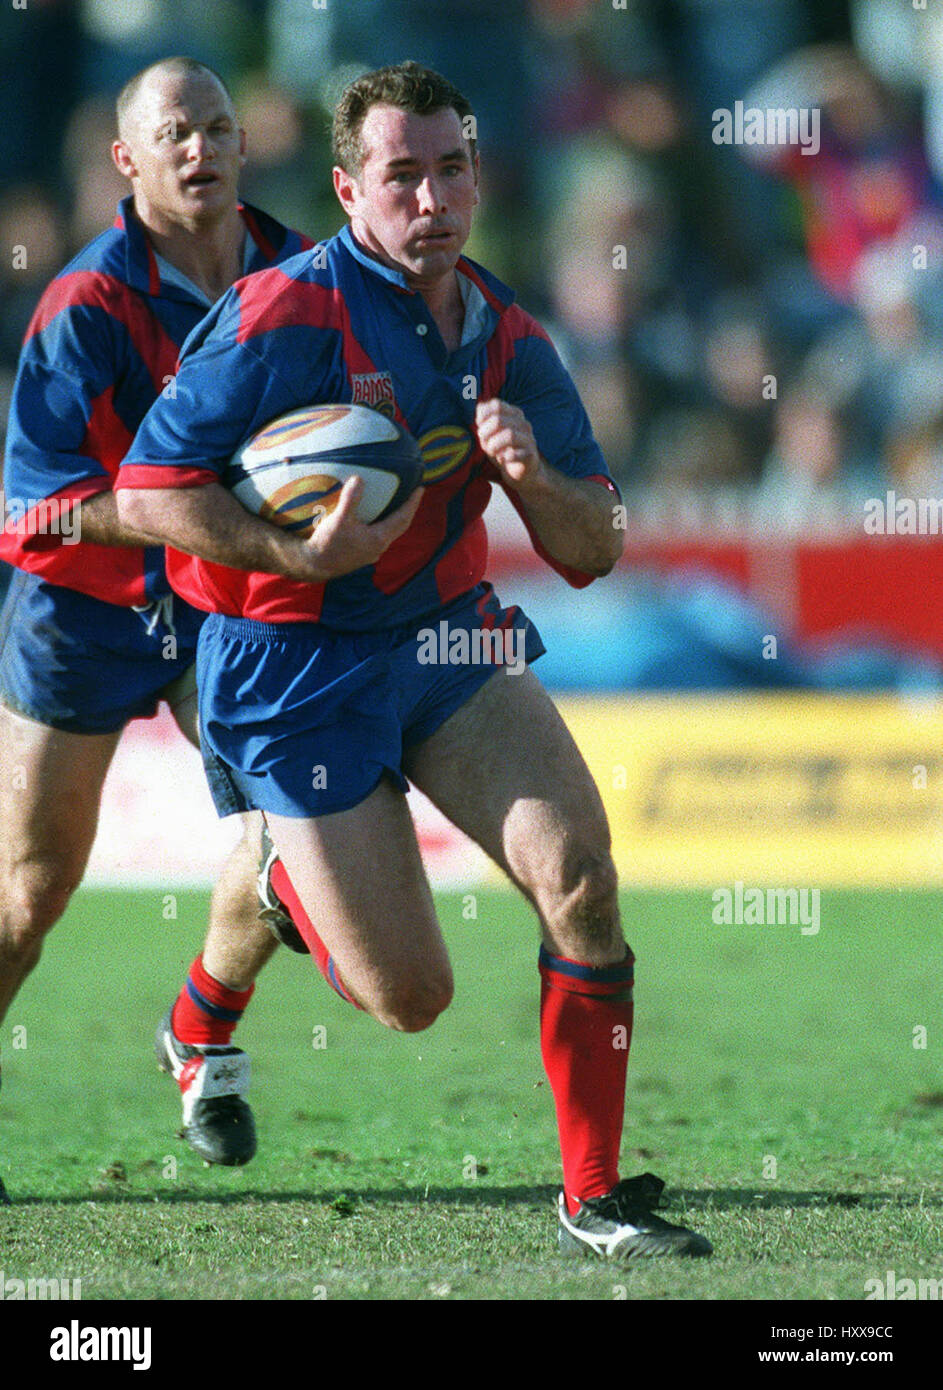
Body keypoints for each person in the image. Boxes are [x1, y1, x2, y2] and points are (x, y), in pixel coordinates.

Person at [116, 60, 712, 1260]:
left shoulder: (508, 332)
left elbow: (596, 543)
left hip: (446, 639)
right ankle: (272, 901)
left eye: (451, 170)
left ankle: (593, 1198)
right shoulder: (282, 313)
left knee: (582, 877)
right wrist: (291, 545)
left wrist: (533, 476)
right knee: (410, 998)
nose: (430, 198)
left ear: (479, 177)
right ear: (349, 189)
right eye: (402, 175)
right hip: (288, 661)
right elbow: (142, 490)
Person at [0, 56, 315, 1191]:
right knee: (28, 892)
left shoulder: (304, 274)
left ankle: (202, 1030)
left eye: (220, 126)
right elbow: (29, 510)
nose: (203, 147)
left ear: (245, 144)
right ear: (125, 162)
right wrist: (189, 510)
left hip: (227, 604)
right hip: (80, 617)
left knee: (295, 829)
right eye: (175, 132)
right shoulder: (82, 306)